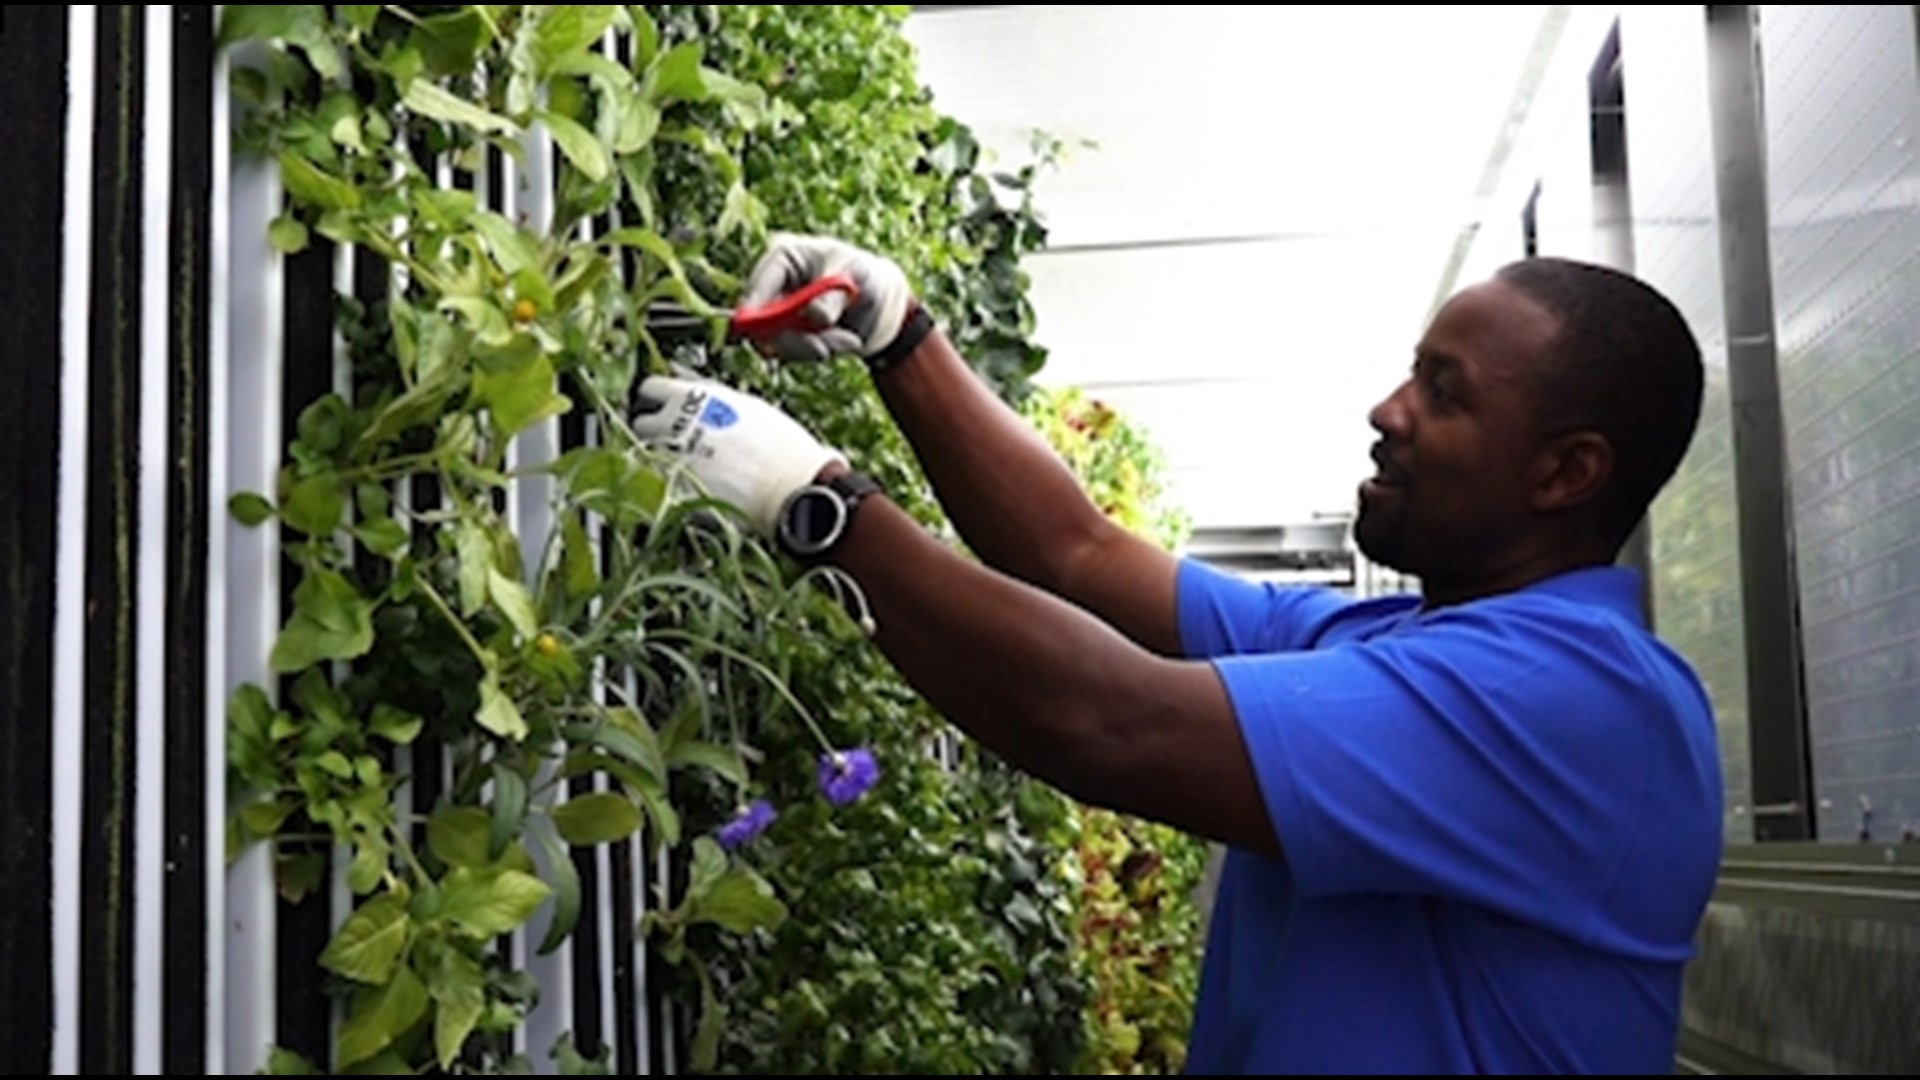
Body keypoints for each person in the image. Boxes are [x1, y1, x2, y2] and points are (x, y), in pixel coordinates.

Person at [630, 234, 1725, 1074]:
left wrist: (817, 508)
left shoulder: (1587, 705)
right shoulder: (1396, 643)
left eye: (1445, 394)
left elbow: (1113, 721)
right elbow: (1078, 551)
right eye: (1412, 372)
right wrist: (897, 331)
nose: (1387, 411)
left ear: (1566, 473)